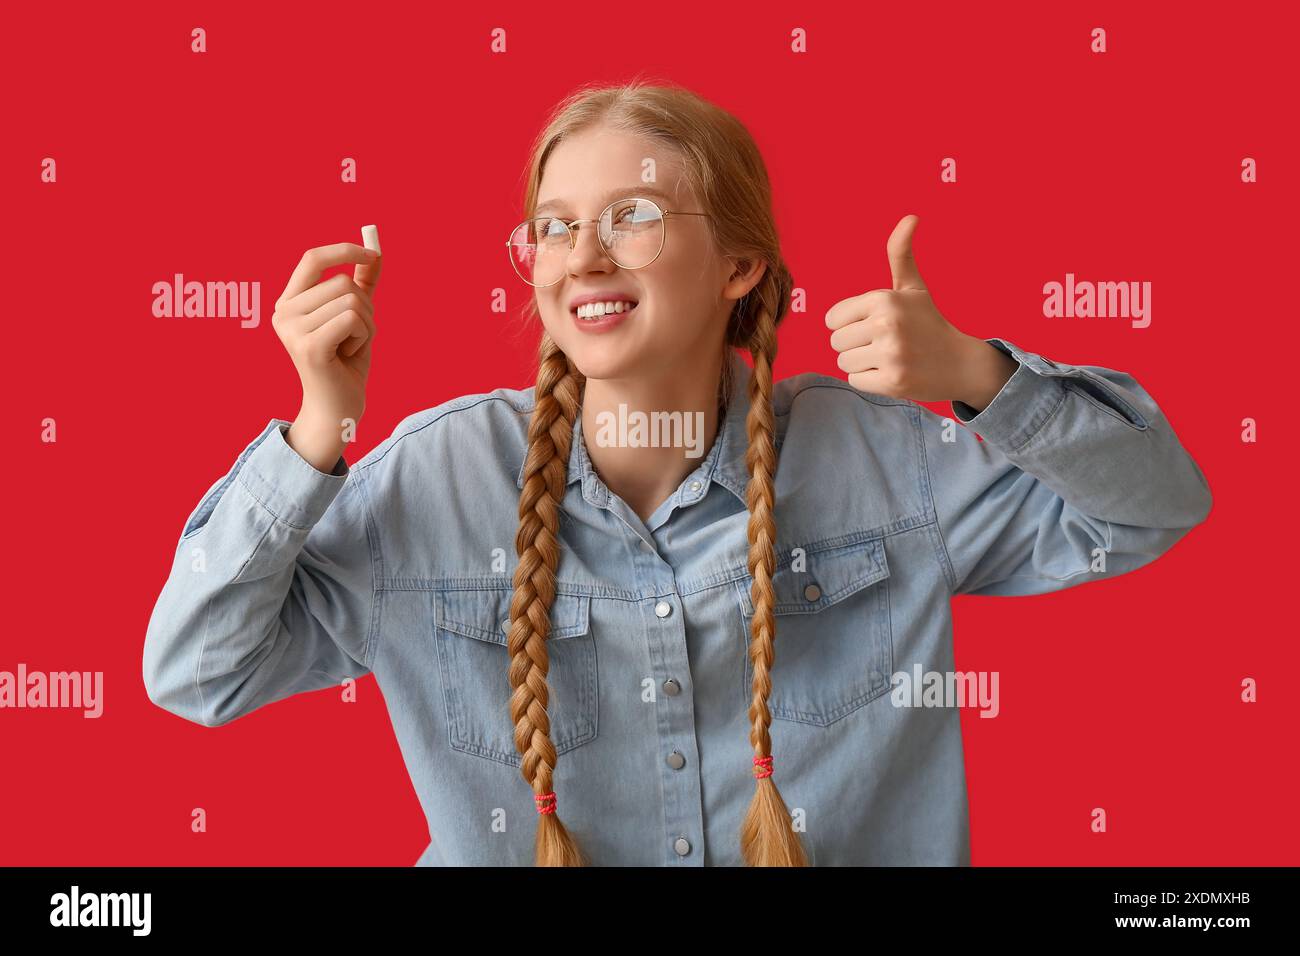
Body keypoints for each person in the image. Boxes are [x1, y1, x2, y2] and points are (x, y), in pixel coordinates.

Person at [142, 79, 1213, 867]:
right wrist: (316, 428)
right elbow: (197, 672)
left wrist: (981, 375)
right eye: (554, 228)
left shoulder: (885, 463)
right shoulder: (434, 477)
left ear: (740, 264)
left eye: (634, 217)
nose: (584, 256)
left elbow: (1153, 508)